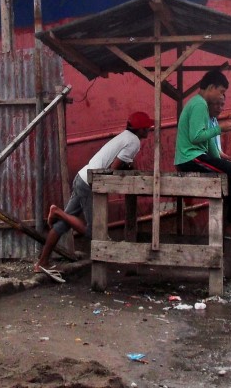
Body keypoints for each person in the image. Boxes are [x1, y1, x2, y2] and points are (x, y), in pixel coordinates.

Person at [33, 110, 155, 280]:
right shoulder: (134, 141)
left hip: (82, 176)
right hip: (90, 182)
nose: (149, 129)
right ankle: (58, 212)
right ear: (140, 129)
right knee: (94, 231)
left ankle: (42, 263)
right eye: (147, 127)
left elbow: (122, 162)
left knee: (61, 226)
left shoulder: (124, 136)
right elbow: (113, 167)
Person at [174, 69, 231, 249]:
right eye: (221, 92)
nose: (222, 97)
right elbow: (196, 137)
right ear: (211, 87)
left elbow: (210, 146)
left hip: (196, 157)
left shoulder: (204, 110)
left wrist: (226, 161)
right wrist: (220, 129)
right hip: (190, 158)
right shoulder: (199, 104)